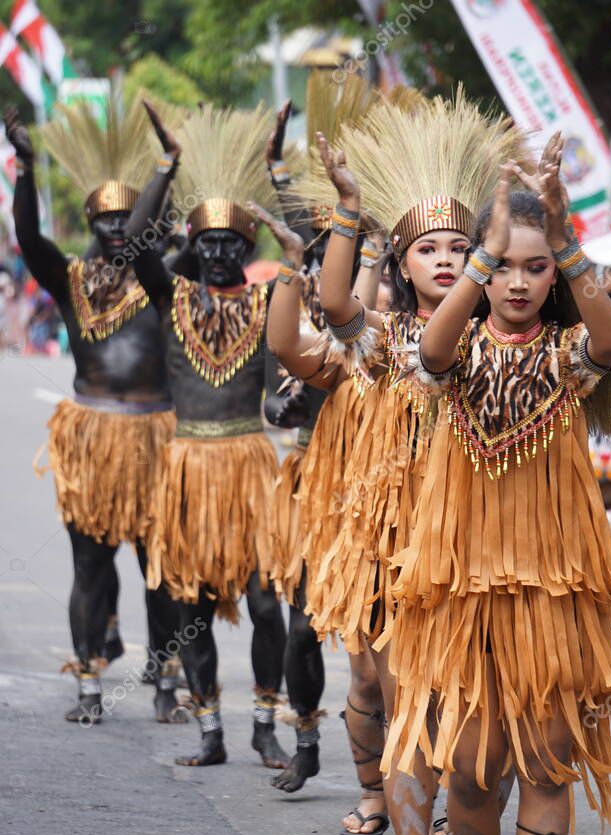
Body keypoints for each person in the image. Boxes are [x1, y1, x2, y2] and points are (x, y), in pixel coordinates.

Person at [382, 141, 611, 835]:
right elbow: (432, 351)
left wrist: (561, 229)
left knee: (547, 764)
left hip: (552, 595)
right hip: (464, 599)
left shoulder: (566, 358)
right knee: (471, 777)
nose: (516, 282)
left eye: (533, 268)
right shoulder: (457, 354)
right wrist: (484, 244)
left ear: (555, 273)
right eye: (501, 267)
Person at [271, 91, 526, 835]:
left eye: (462, 246)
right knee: (398, 695)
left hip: (480, 551)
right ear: (403, 262)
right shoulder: (381, 343)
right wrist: (348, 215)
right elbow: (330, 309)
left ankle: (465, 833)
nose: (446, 260)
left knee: (479, 709)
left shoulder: (505, 338)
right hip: (394, 550)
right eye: (428, 249)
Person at [5, 98, 184, 726]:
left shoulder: (163, 282)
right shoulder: (71, 280)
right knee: (89, 564)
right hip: (92, 437)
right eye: (104, 219)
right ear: (90, 224)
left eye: (124, 218)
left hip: (157, 436)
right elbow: (27, 238)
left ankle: (164, 679)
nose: (115, 228)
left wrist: (169, 167)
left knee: (158, 568)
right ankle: (87, 681)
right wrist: (25, 170)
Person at [129, 102, 289, 769]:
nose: (220, 251)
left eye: (233, 243)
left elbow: (319, 245)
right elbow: (136, 244)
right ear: (194, 248)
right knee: (190, 604)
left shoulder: (267, 302)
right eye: (209, 243)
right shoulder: (172, 299)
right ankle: (210, 733)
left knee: (264, 603)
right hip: (189, 463)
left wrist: (277, 171)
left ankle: (263, 724)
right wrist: (166, 167)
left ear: (248, 251)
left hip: (250, 463)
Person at [260, 75, 387, 797]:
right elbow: (290, 351)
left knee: (379, 654)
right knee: (304, 625)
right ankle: (306, 739)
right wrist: (280, 164)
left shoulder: (380, 303)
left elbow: (352, 323)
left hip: (377, 493)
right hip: (312, 488)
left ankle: (393, 788)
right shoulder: (298, 285)